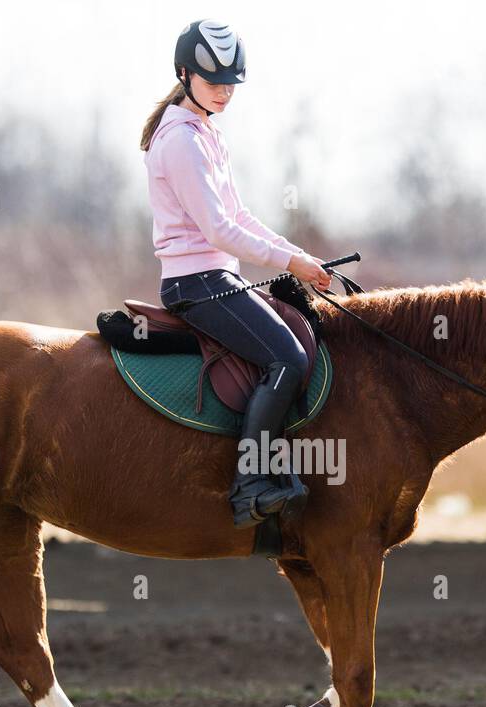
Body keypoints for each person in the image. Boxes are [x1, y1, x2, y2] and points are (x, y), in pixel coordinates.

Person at [141, 19, 332, 528]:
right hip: (196, 284)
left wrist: (301, 258)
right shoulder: (181, 141)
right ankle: (251, 484)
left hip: (215, 278)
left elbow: (241, 217)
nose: (224, 92)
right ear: (185, 74)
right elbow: (220, 230)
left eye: (231, 83)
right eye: (214, 82)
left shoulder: (206, 134)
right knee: (287, 358)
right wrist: (290, 263)